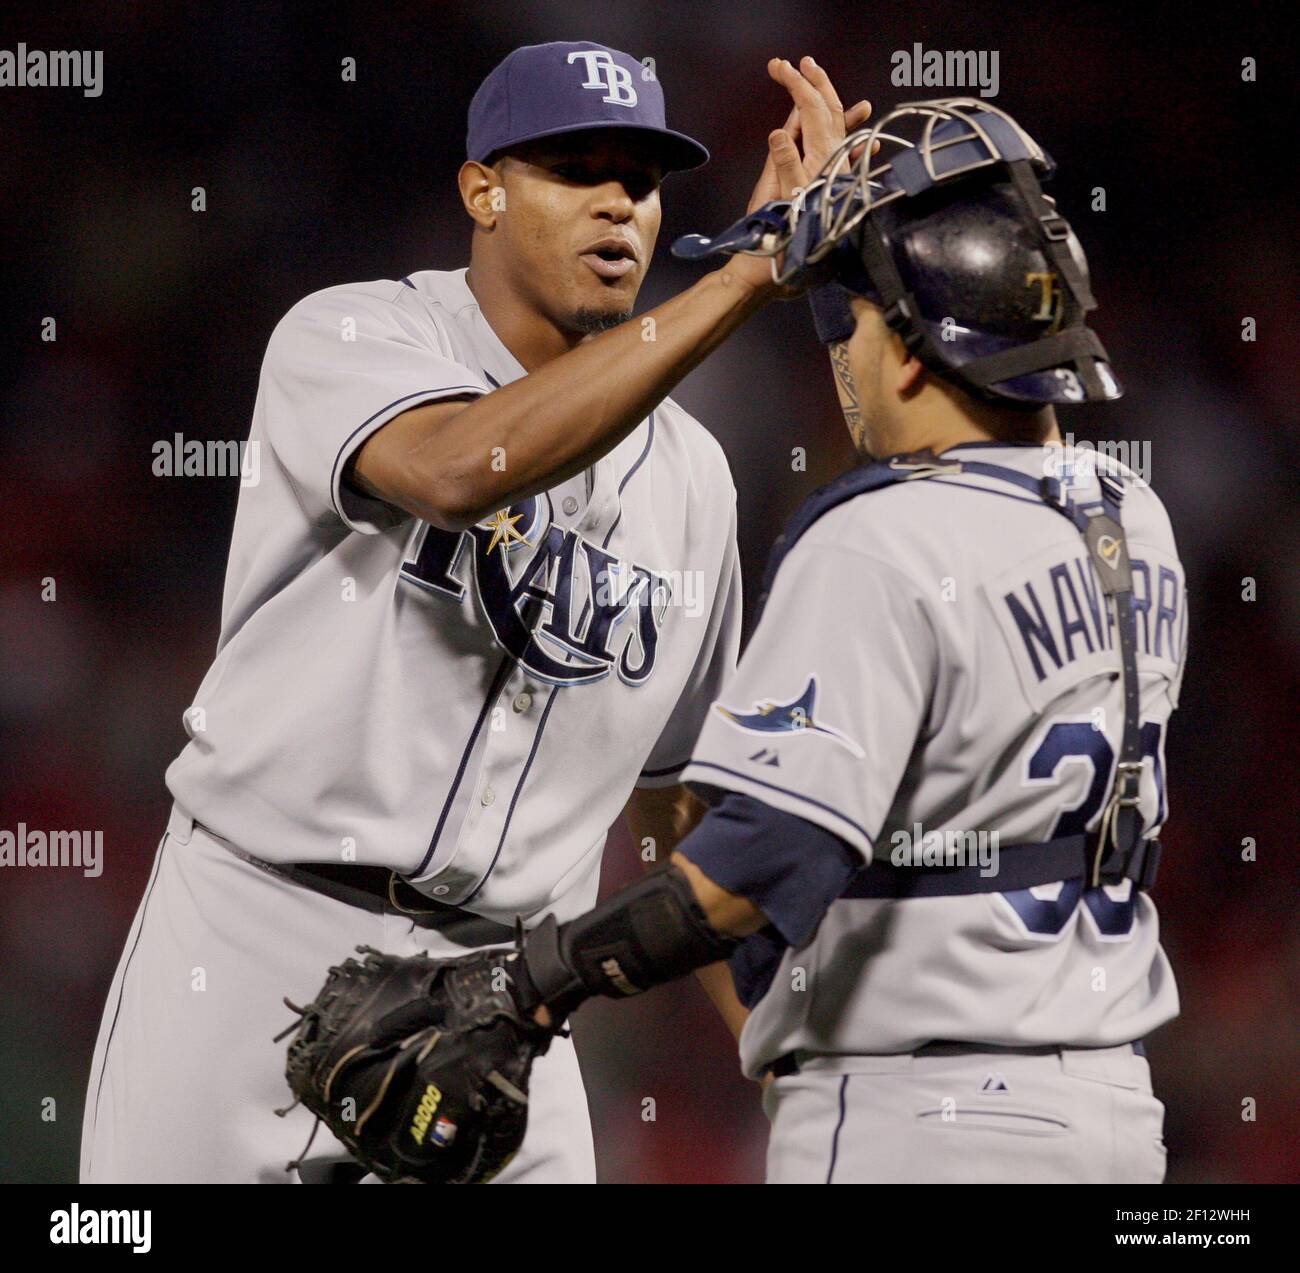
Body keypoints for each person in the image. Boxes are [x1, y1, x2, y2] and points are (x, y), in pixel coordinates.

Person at [79, 41, 868, 1183]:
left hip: (504, 1001)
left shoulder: (694, 480)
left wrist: (778, 1032)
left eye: (640, 182)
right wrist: (746, 277)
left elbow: (677, 797)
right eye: (571, 167)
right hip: (256, 929)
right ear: (481, 189)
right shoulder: (351, 335)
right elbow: (461, 467)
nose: (616, 203)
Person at [504, 99, 1188, 1185]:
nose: (843, 354)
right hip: (1109, 1104)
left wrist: (530, 983)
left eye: (854, 320)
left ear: (915, 353)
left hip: (925, 1116)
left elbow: (759, 861)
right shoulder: (1133, 517)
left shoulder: (879, 534)